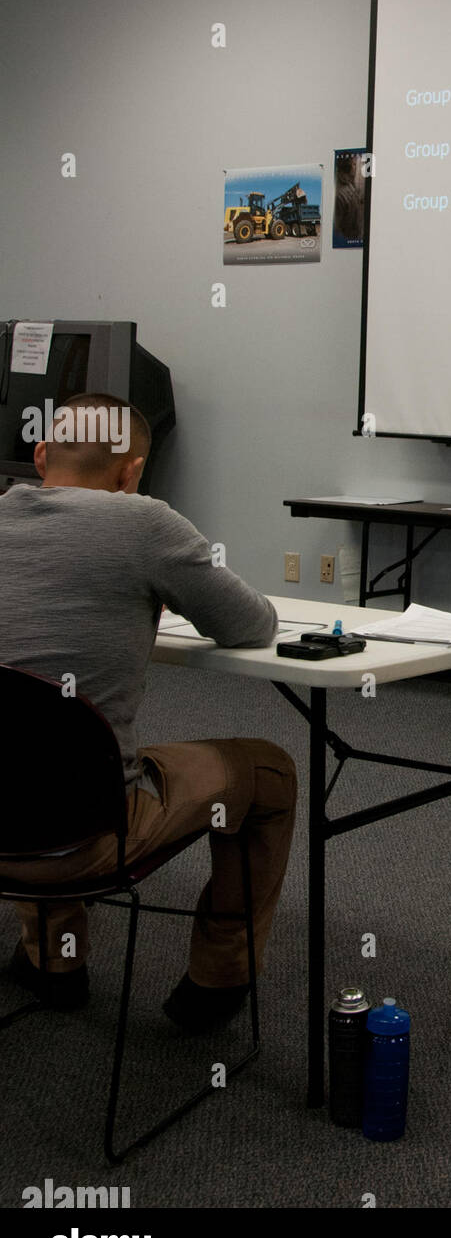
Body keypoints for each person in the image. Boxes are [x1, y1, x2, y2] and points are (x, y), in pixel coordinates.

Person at [0, 392, 297, 1026]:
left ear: (41, 455)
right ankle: (218, 981)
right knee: (269, 771)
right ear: (133, 472)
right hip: (83, 835)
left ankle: (53, 963)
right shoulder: (145, 522)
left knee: (23, 736)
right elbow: (250, 623)